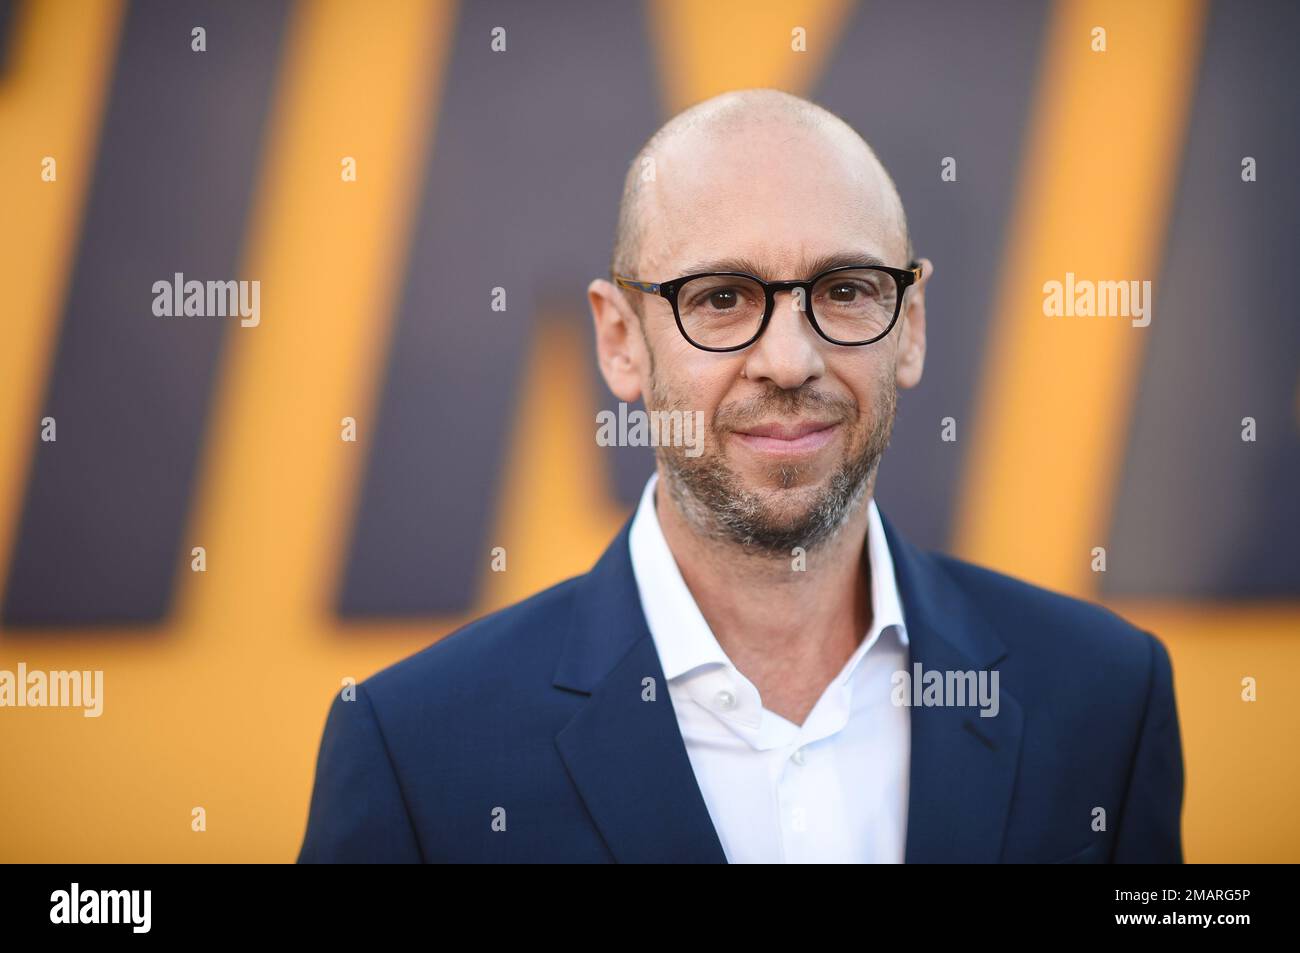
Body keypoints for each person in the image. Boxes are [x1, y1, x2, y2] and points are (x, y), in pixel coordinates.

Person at [298, 88, 1184, 864]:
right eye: (720, 298)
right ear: (619, 339)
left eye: (844, 289)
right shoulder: (418, 753)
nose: (791, 360)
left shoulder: (1103, 695)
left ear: (909, 323)